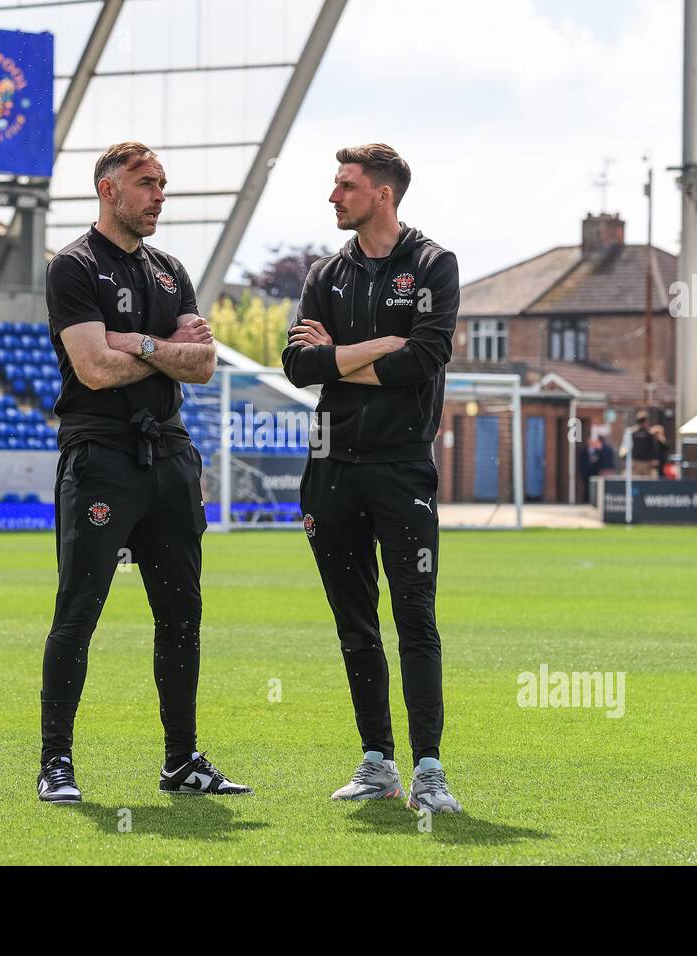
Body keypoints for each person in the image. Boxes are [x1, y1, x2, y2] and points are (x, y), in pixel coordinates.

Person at [37, 141, 250, 804]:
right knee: (80, 610)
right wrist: (166, 353)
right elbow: (94, 369)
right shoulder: (73, 266)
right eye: (147, 183)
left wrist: (141, 343)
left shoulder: (169, 271)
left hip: (171, 460)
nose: (160, 194)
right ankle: (55, 763)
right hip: (100, 458)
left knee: (182, 614)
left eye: (163, 183)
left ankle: (181, 761)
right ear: (108, 190)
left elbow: (205, 363)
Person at [282, 143, 463, 813]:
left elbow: (426, 359)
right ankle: (377, 762)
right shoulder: (326, 272)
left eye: (346, 186)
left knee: (415, 618)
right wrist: (373, 350)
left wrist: (335, 358)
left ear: (382, 194)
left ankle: (430, 771)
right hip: (330, 471)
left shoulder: (433, 263)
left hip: (401, 467)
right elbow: (297, 368)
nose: (334, 196)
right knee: (355, 624)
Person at [625, 411, 661, 478]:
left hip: (645, 462)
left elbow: (653, 447)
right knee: (638, 481)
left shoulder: (648, 434)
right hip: (637, 462)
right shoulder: (633, 433)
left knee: (645, 482)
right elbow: (628, 447)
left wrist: (654, 459)